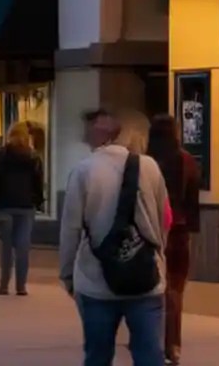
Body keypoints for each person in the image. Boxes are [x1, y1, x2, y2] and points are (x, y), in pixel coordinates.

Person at [60, 109, 170, 366]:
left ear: (99, 133)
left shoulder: (83, 171)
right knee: (149, 353)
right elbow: (163, 218)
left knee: (98, 355)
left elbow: (70, 229)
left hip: (96, 281)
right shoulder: (150, 167)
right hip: (146, 279)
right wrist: (158, 256)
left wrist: (67, 274)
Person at [147, 114, 201, 366]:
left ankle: (150, 338)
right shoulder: (187, 161)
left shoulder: (146, 163)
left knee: (149, 288)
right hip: (178, 230)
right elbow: (193, 202)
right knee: (175, 289)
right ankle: (173, 344)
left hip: (151, 231)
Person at [0, 121, 46, 296]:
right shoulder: (33, 157)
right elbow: (38, 183)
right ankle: (21, 286)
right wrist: (38, 201)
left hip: (5, 206)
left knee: (6, 248)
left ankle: (4, 285)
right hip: (26, 207)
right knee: (23, 248)